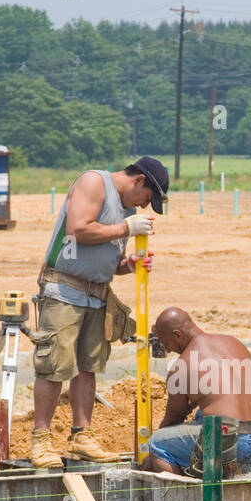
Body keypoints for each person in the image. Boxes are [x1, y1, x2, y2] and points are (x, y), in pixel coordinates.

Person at [30, 157, 168, 467]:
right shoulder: (94, 182)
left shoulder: (127, 210)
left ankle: (82, 436)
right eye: (147, 199)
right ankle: (40, 440)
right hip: (64, 290)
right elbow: (78, 229)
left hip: (96, 294)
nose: (144, 207)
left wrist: (127, 266)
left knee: (88, 366)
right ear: (139, 181)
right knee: (54, 364)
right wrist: (124, 228)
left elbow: (103, 258)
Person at [141, 306, 251, 476]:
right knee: (201, 416)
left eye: (166, 343)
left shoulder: (182, 365)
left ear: (177, 335)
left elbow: (173, 418)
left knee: (157, 443)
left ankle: (189, 497)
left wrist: (152, 455)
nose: (167, 350)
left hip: (232, 443)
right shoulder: (234, 342)